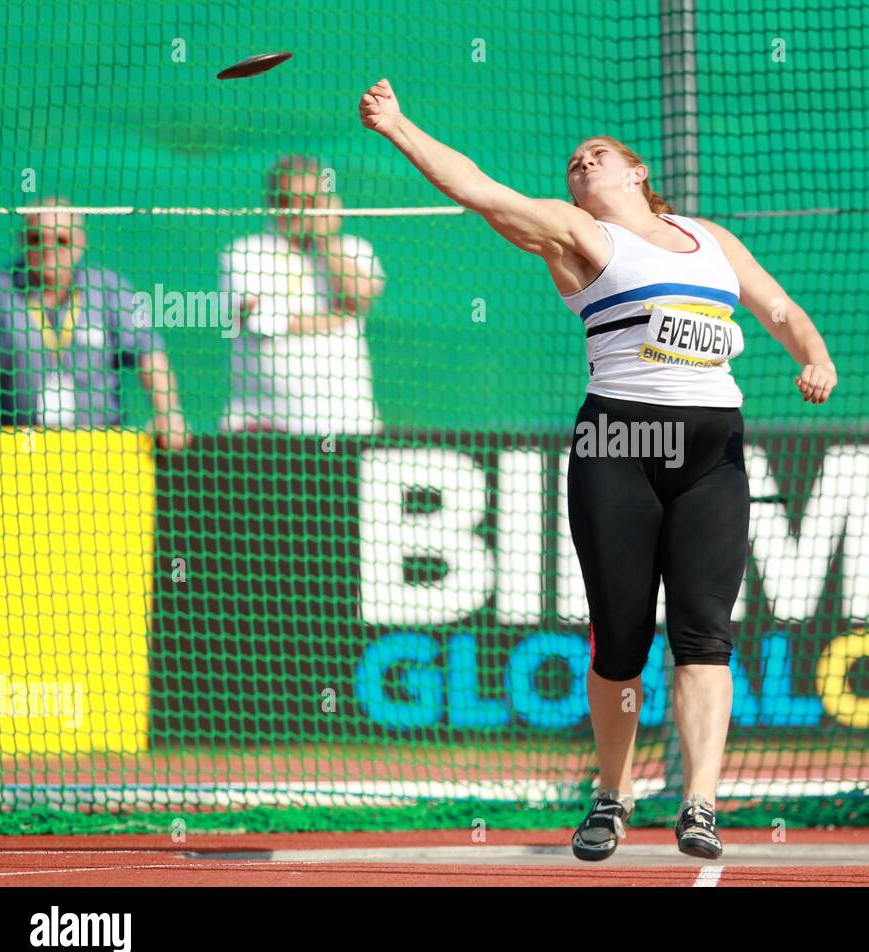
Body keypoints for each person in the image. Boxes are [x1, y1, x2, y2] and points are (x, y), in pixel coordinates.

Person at [359, 78, 837, 860]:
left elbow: (777, 309)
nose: (583, 161)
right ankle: (612, 796)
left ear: (639, 173)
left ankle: (701, 805)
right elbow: (478, 188)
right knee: (620, 641)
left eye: (599, 154)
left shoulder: (710, 239)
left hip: (710, 455)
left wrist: (814, 358)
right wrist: (399, 128)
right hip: (619, 448)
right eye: (575, 161)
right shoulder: (577, 236)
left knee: (704, 636)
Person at [0, 198, 189, 449]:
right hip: (14, 450)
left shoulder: (108, 288)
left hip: (100, 449)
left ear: (79, 243)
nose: (49, 248)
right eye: (38, 239)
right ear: (22, 241)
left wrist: (167, 413)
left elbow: (148, 352)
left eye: (61, 240)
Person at [220, 155, 386, 436]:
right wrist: (340, 316)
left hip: (348, 425)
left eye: (310, 201)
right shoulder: (244, 252)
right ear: (273, 202)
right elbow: (261, 322)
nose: (300, 211)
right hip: (262, 427)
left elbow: (359, 298)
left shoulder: (355, 249)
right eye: (289, 200)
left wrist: (326, 240)